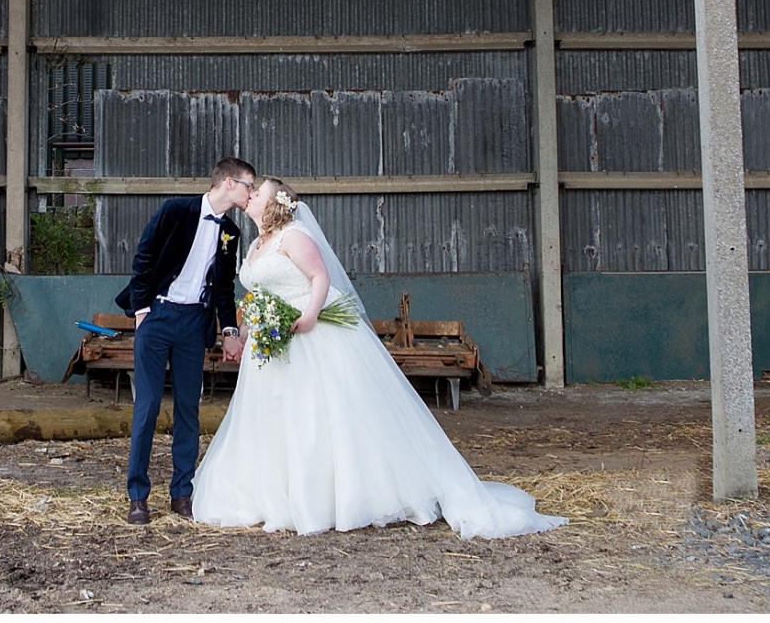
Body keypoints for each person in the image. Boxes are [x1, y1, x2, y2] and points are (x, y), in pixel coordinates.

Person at [192, 178, 567, 539]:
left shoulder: (294, 236)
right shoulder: (258, 243)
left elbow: (319, 278)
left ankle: (331, 497)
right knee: (274, 416)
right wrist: (245, 329)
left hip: (310, 338)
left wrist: (307, 317)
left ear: (275, 204)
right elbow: (257, 295)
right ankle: (273, 492)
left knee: (318, 415)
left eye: (259, 192)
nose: (252, 195)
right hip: (270, 346)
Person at [114, 156, 257, 524]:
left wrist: (228, 331)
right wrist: (142, 309)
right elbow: (144, 257)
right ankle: (138, 496)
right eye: (248, 185)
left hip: (195, 323)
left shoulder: (231, 233)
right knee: (146, 406)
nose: (251, 193)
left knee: (188, 409)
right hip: (158, 315)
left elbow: (223, 287)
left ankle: (182, 493)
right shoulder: (175, 210)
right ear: (228, 183)